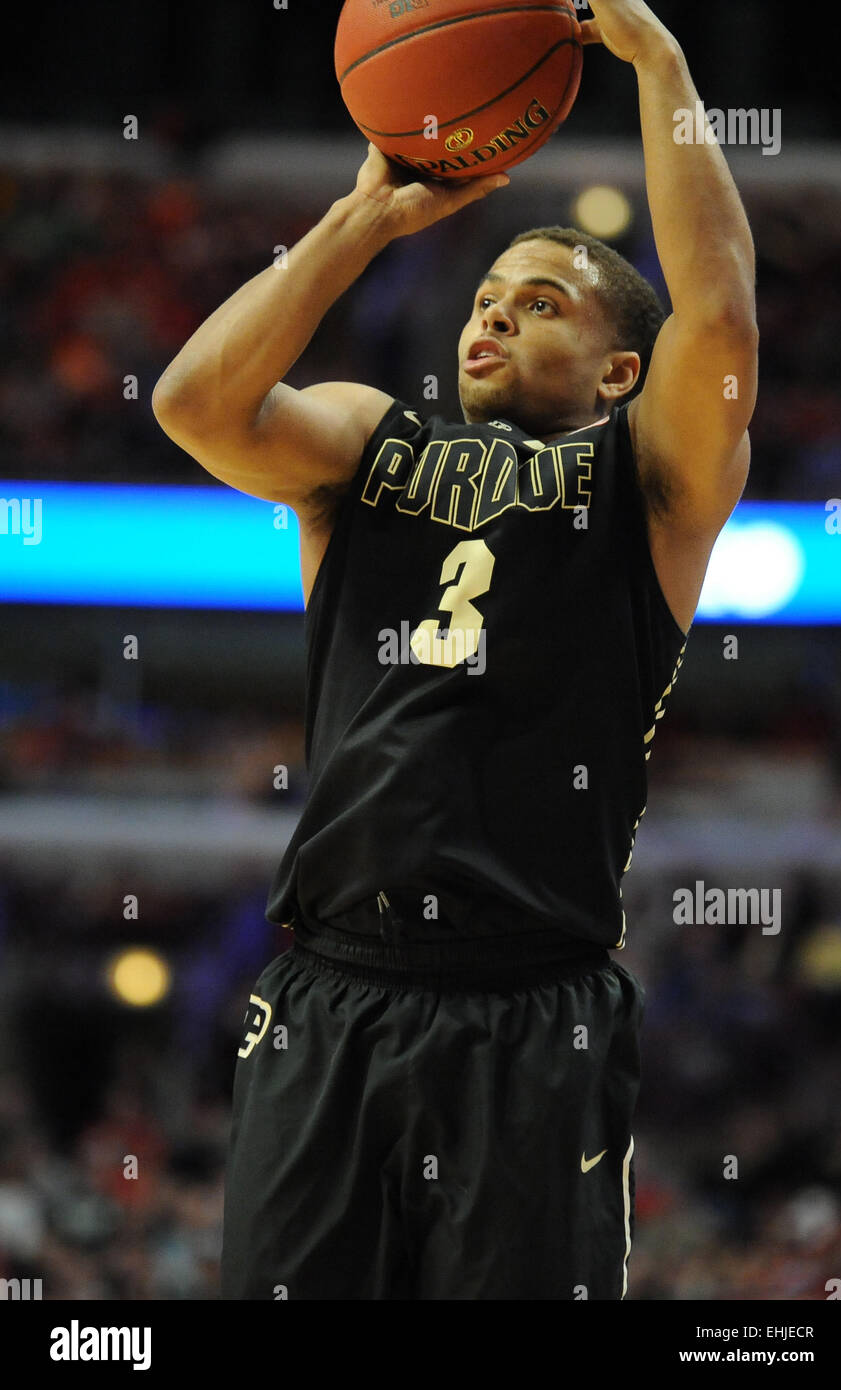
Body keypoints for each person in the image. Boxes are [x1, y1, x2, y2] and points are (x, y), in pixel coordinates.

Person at [153, 0, 757, 1300]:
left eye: (541, 305)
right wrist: (368, 213)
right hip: (332, 992)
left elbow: (722, 341)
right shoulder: (370, 439)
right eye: (487, 297)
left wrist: (659, 59)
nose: (493, 317)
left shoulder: (644, 481)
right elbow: (195, 404)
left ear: (616, 374)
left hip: (532, 1013)